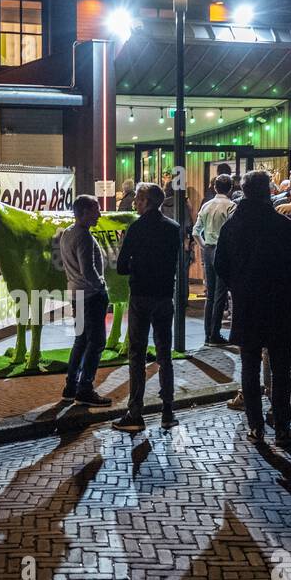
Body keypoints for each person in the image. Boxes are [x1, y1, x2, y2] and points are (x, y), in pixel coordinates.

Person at [214, 171, 291, 443]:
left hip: (247, 304)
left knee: (249, 364)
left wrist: (238, 284)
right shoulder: (282, 225)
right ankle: (282, 426)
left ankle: (255, 425)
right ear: (267, 192)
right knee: (280, 367)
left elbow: (219, 265)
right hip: (278, 303)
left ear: (245, 192)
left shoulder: (232, 226)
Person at [113, 182, 181, 432]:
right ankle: (167, 410)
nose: (135, 204)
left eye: (139, 200)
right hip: (164, 295)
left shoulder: (136, 228)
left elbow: (121, 267)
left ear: (147, 202)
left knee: (137, 354)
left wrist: (135, 264)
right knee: (165, 354)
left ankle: (135, 412)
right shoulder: (173, 229)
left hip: (141, 295)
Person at [60, 195, 112, 407]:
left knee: (81, 340)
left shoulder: (68, 233)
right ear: (84, 212)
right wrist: (101, 287)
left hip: (76, 294)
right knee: (97, 341)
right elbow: (88, 269)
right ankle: (85, 388)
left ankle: (70, 386)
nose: (99, 214)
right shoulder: (83, 237)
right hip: (90, 296)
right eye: (95, 210)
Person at [193, 174, 236, 345]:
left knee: (210, 294)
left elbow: (196, 231)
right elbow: (232, 232)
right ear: (230, 188)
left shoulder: (206, 205)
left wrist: (204, 246)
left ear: (215, 187)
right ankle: (215, 334)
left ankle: (207, 333)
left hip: (209, 249)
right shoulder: (231, 206)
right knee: (220, 293)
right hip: (222, 250)